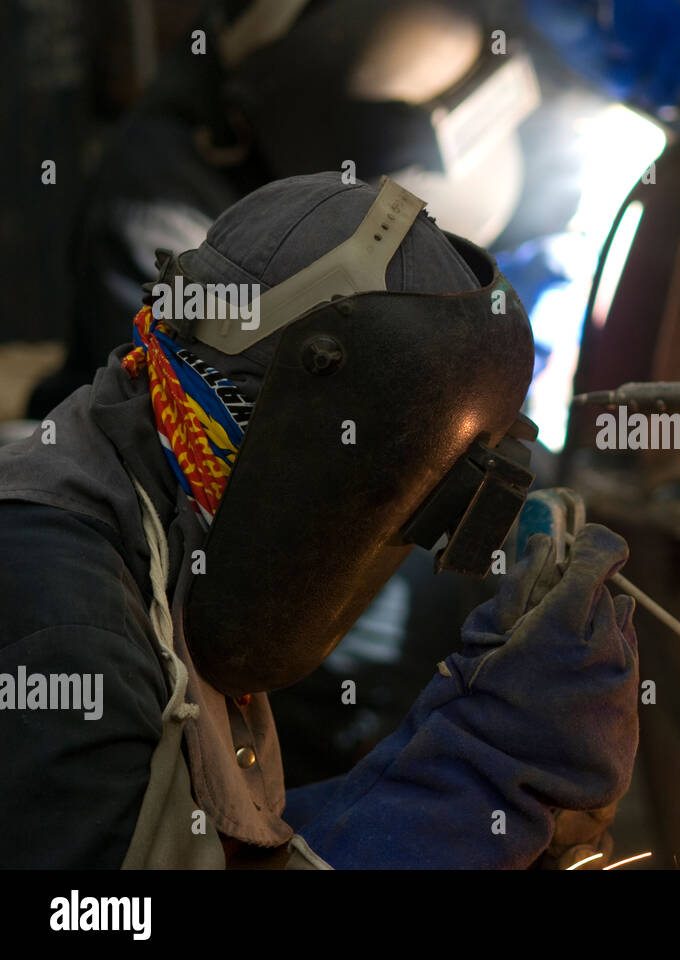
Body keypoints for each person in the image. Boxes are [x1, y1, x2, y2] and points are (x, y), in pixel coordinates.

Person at [0, 172, 639, 869]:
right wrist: (486, 768)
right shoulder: (67, 625)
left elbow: (212, 845)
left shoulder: (158, 494)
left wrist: (486, 812)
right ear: (302, 414)